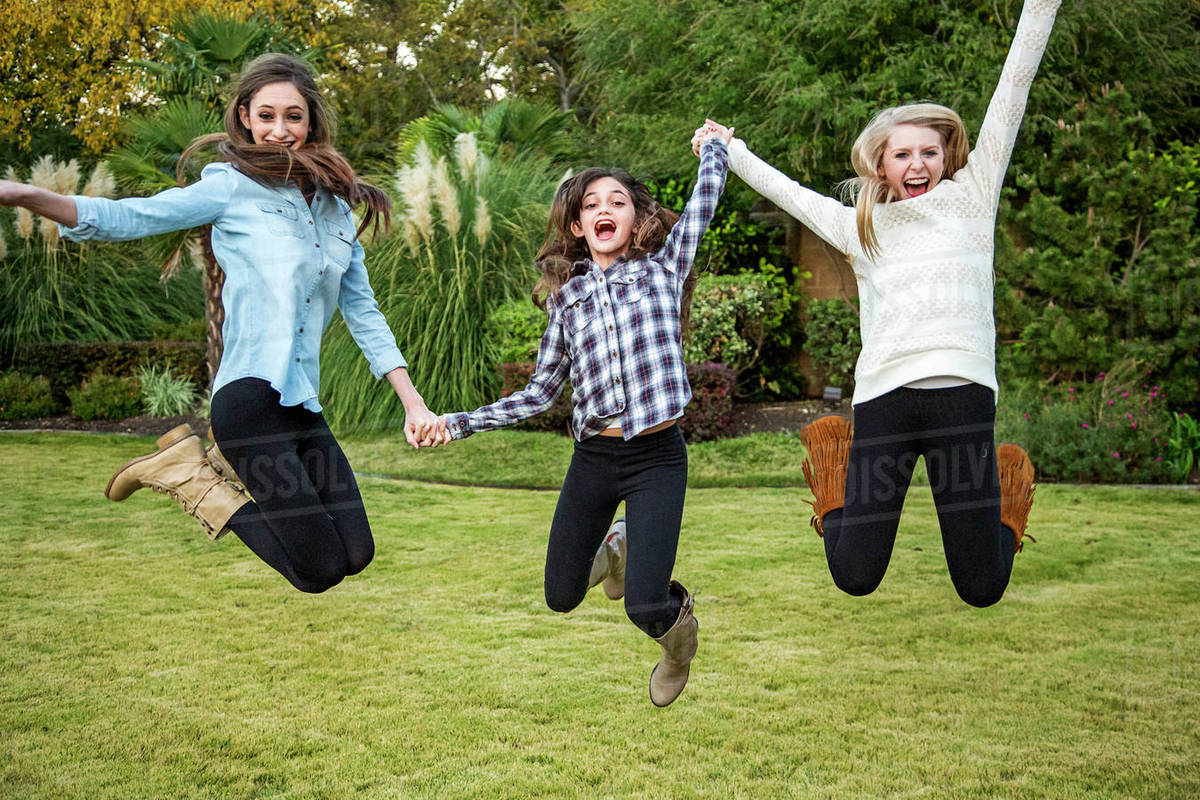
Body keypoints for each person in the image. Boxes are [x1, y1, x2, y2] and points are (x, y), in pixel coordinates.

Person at [0, 53, 446, 593]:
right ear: (244, 119)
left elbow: (364, 313)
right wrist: (23, 194)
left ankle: (187, 467)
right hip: (250, 402)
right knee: (320, 571)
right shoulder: (230, 187)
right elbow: (135, 216)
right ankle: (187, 475)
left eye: (293, 117)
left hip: (301, 404)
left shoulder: (336, 211)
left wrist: (413, 401)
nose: (279, 130)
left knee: (357, 551)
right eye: (266, 116)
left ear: (311, 123)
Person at [695, 0, 1058, 607]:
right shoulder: (858, 226)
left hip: (962, 398)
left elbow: (1015, 84)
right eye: (902, 154)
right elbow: (791, 195)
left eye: (929, 152)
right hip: (886, 401)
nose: (918, 163)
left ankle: (1006, 492)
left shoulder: (974, 195)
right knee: (855, 574)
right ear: (881, 165)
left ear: (946, 157)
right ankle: (837, 481)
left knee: (983, 586)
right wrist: (730, 149)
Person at [432, 128, 732, 706]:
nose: (604, 210)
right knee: (560, 594)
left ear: (637, 218)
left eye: (617, 201)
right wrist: (458, 422)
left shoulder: (664, 268)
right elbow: (540, 392)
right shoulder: (566, 301)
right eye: (591, 204)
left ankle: (679, 649)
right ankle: (615, 549)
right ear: (577, 227)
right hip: (595, 457)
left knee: (646, 605)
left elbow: (703, 201)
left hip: (656, 457)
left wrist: (713, 147)